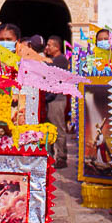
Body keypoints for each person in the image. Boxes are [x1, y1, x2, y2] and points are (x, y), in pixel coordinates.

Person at [44, 35, 70, 168]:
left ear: (57, 47)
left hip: (57, 99)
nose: (47, 47)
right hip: (50, 98)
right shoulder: (54, 59)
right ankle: (50, 155)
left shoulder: (61, 60)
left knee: (58, 128)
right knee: (49, 128)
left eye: (49, 45)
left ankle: (61, 157)